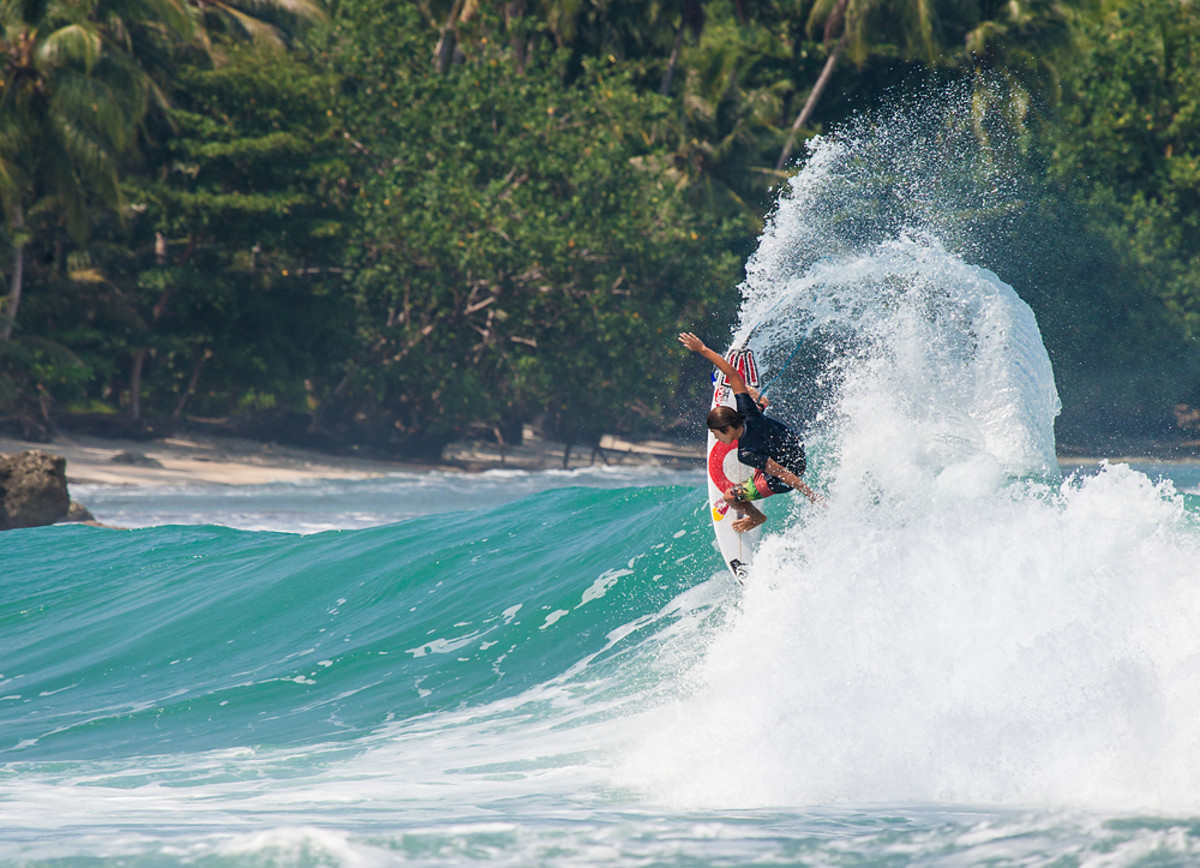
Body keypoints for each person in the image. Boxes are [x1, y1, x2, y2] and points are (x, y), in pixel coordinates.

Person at [679, 331, 823, 531]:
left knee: (730, 496)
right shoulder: (747, 411)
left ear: (727, 428)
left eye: (717, 434)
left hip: (788, 473)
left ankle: (756, 517)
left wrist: (811, 495)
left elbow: (781, 472)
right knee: (757, 405)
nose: (716, 439)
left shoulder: (746, 453)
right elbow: (732, 374)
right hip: (795, 447)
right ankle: (761, 403)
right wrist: (702, 349)